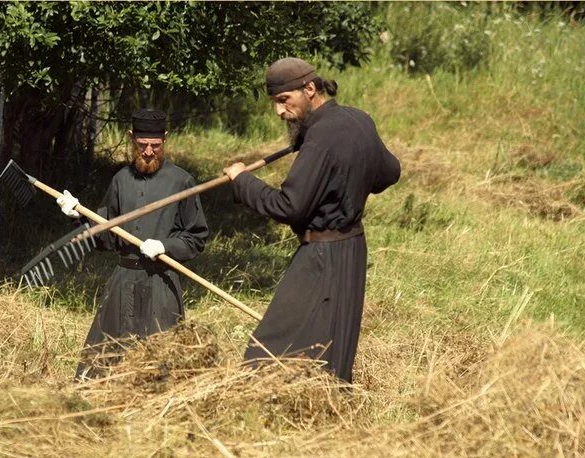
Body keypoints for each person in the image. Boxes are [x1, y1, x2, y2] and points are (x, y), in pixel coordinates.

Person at [222, 58, 400, 383]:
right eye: (275, 102)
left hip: (321, 254)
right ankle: (323, 413)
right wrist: (347, 180)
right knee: (332, 347)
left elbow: (290, 207)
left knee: (266, 350)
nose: (279, 112)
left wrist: (242, 181)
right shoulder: (358, 120)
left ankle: (258, 405)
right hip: (353, 248)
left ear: (309, 89)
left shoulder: (320, 138)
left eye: (283, 100)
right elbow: (389, 173)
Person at [57, 109, 209, 377]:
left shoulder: (182, 181)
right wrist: (78, 215)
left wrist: (166, 246)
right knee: (106, 360)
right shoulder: (121, 180)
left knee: (162, 361)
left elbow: (196, 238)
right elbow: (105, 235)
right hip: (123, 280)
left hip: (161, 281)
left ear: (165, 138)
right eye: (142, 145)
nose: (149, 152)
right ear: (131, 138)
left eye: (155, 145)